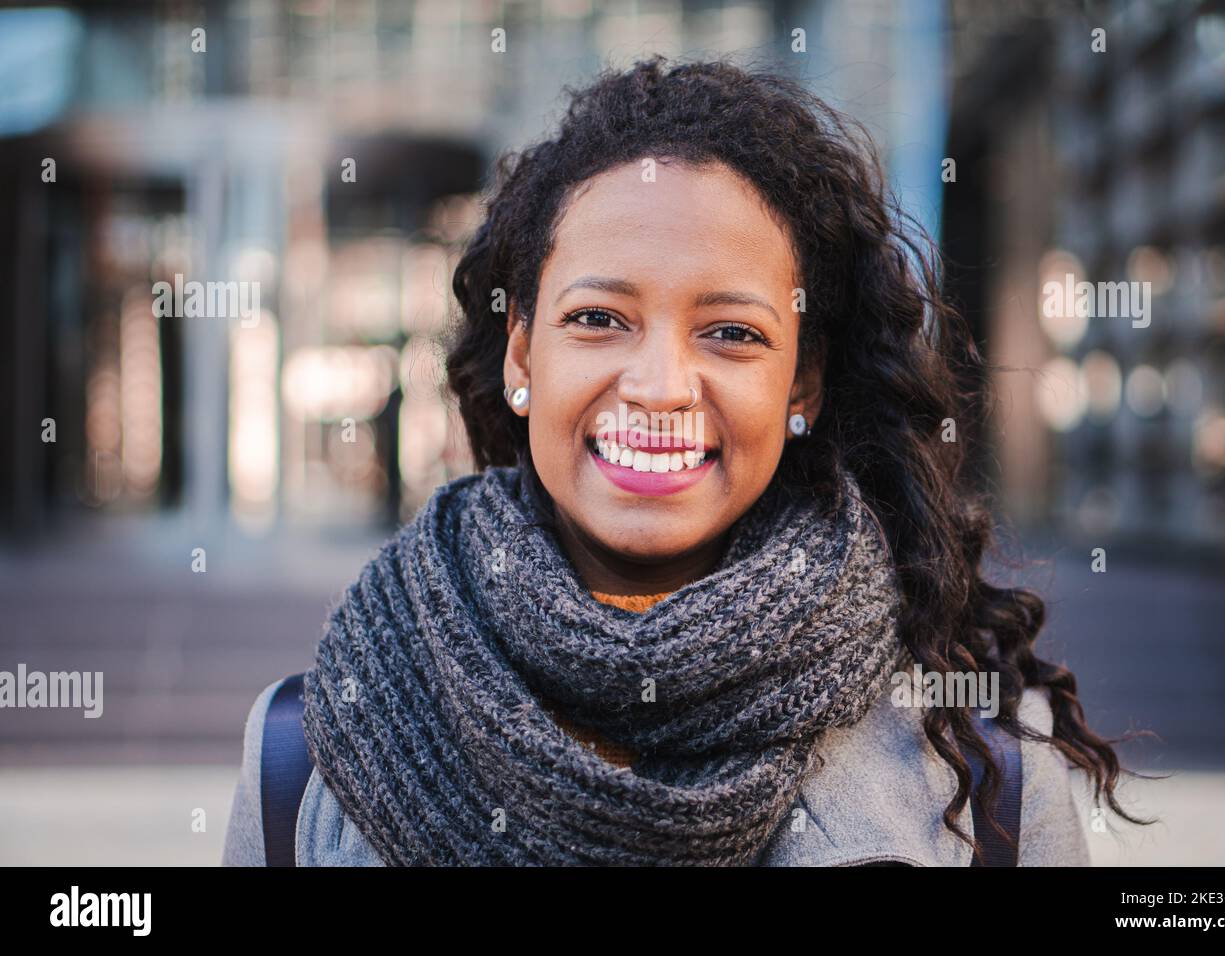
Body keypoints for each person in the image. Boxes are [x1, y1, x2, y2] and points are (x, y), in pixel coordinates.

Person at [222, 55, 1148, 867]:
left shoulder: (996, 792)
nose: (661, 386)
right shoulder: (300, 757)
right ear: (521, 353)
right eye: (597, 319)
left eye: (732, 333)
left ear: (803, 385)